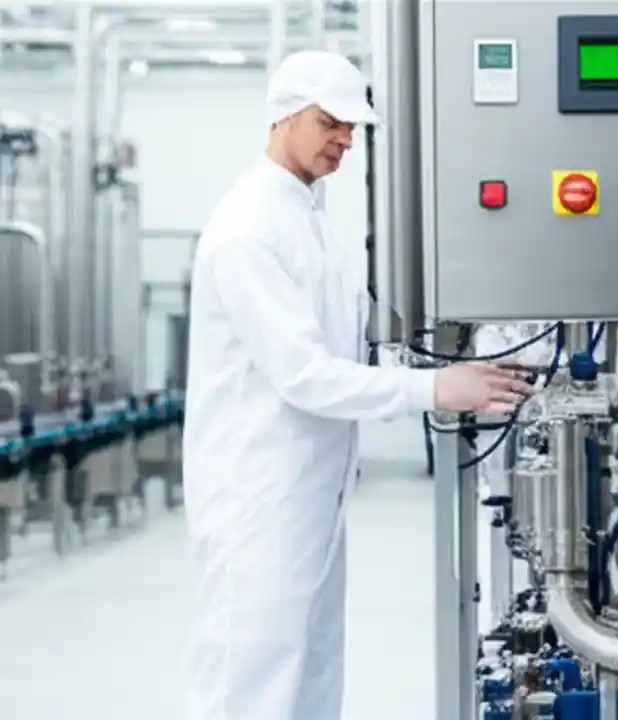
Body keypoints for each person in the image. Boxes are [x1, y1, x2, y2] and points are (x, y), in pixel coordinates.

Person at [181, 50, 533, 719]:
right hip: (257, 498)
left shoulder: (315, 221)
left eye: (352, 127)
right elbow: (306, 376)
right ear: (285, 116)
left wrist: (443, 371)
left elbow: (352, 351)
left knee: (310, 678)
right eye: (331, 122)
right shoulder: (248, 229)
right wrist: (435, 391)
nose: (345, 139)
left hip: (314, 494)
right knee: (247, 684)